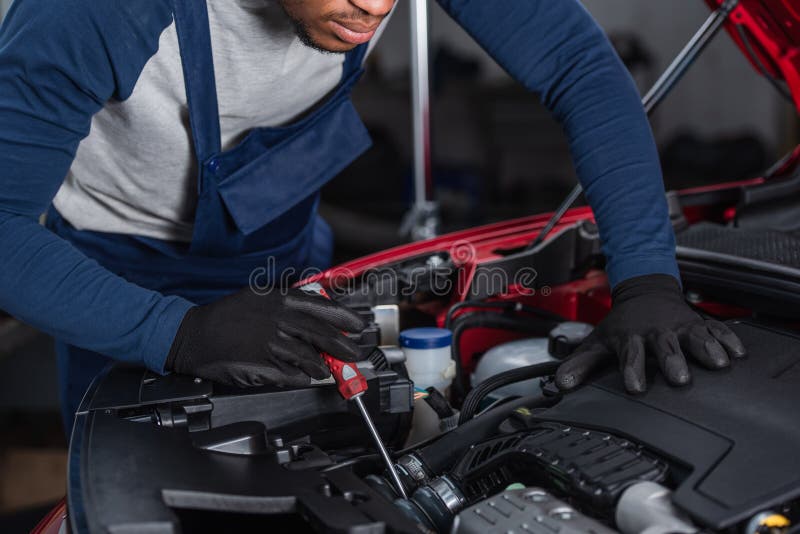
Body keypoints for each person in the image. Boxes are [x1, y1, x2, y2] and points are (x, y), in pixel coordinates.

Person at [0, 0, 745, 429]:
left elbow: (578, 66)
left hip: (286, 248)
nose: (374, 6)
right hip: (118, 276)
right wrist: (176, 332)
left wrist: (647, 278)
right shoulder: (88, 8)